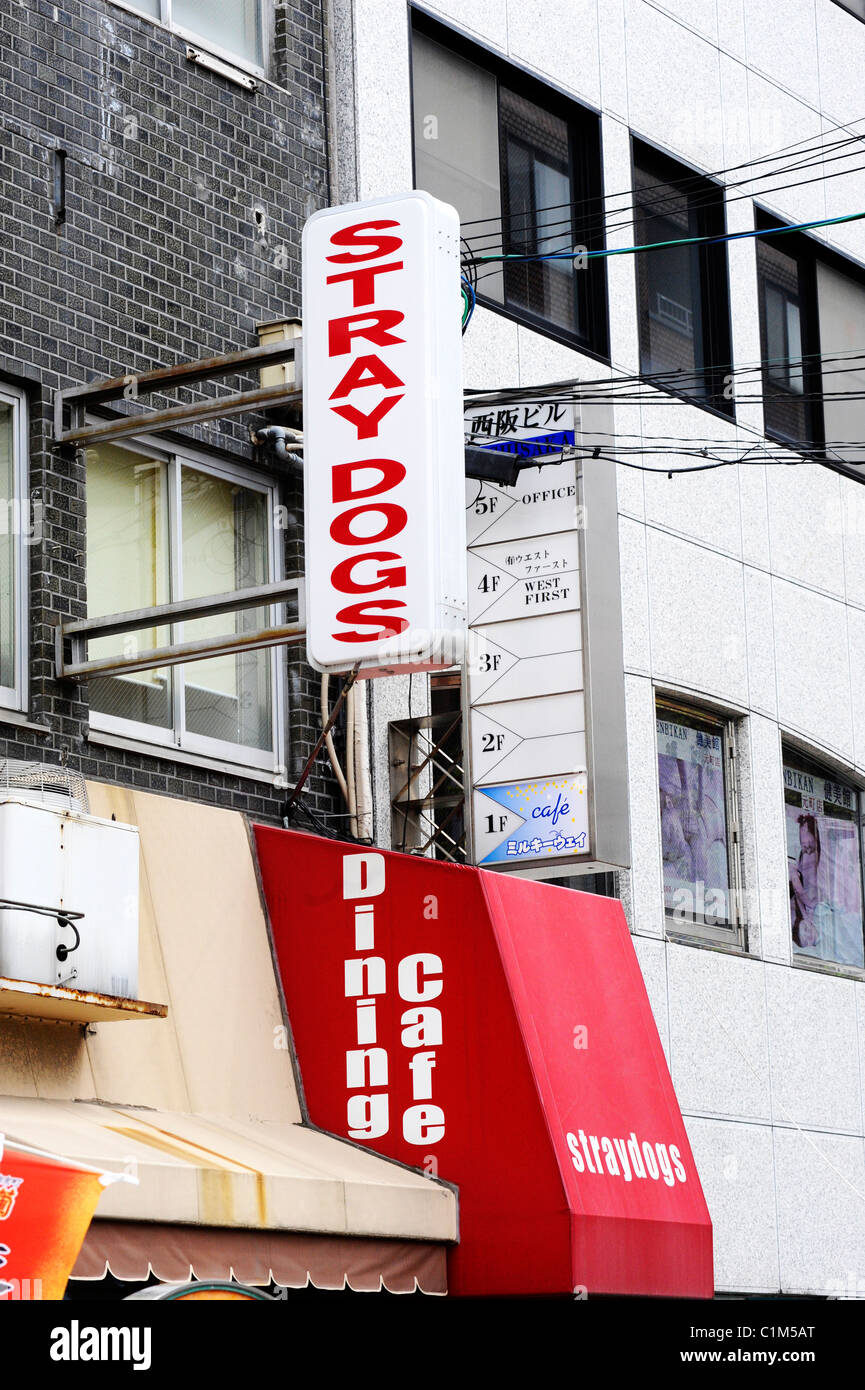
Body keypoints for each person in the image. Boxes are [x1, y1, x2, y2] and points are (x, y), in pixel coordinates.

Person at [789, 813, 820, 949]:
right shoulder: (803, 856)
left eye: (810, 844)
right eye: (803, 845)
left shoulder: (821, 859)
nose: (807, 848)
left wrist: (797, 884)